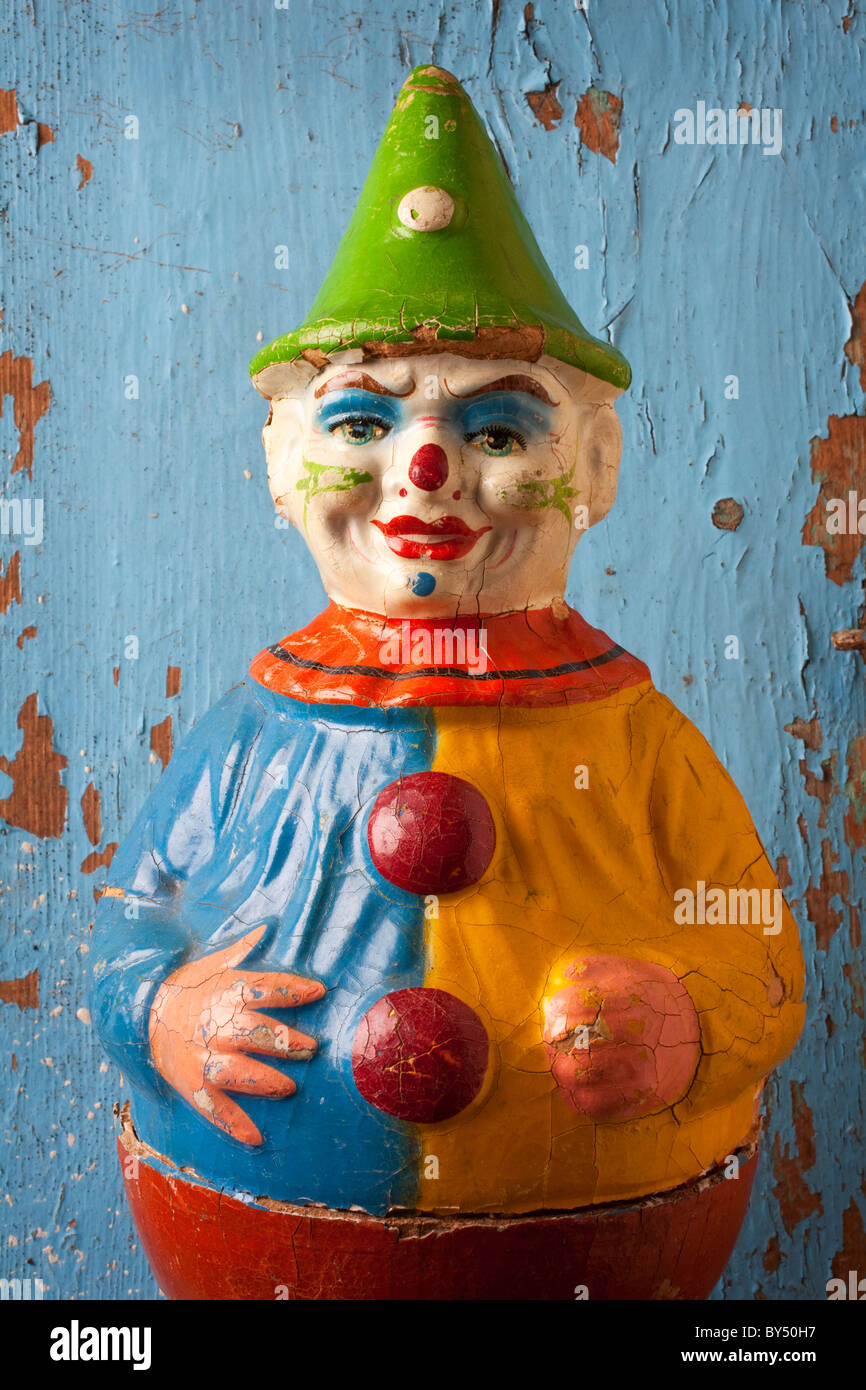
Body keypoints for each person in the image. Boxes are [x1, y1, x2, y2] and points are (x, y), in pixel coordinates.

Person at [91, 65, 804, 1300]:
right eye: (362, 423)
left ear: (592, 462)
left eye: (494, 431)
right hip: (249, 1245)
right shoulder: (256, 735)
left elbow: (756, 937)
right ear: (282, 460)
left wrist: (691, 1017)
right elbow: (134, 909)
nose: (421, 466)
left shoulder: (631, 737)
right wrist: (157, 1008)